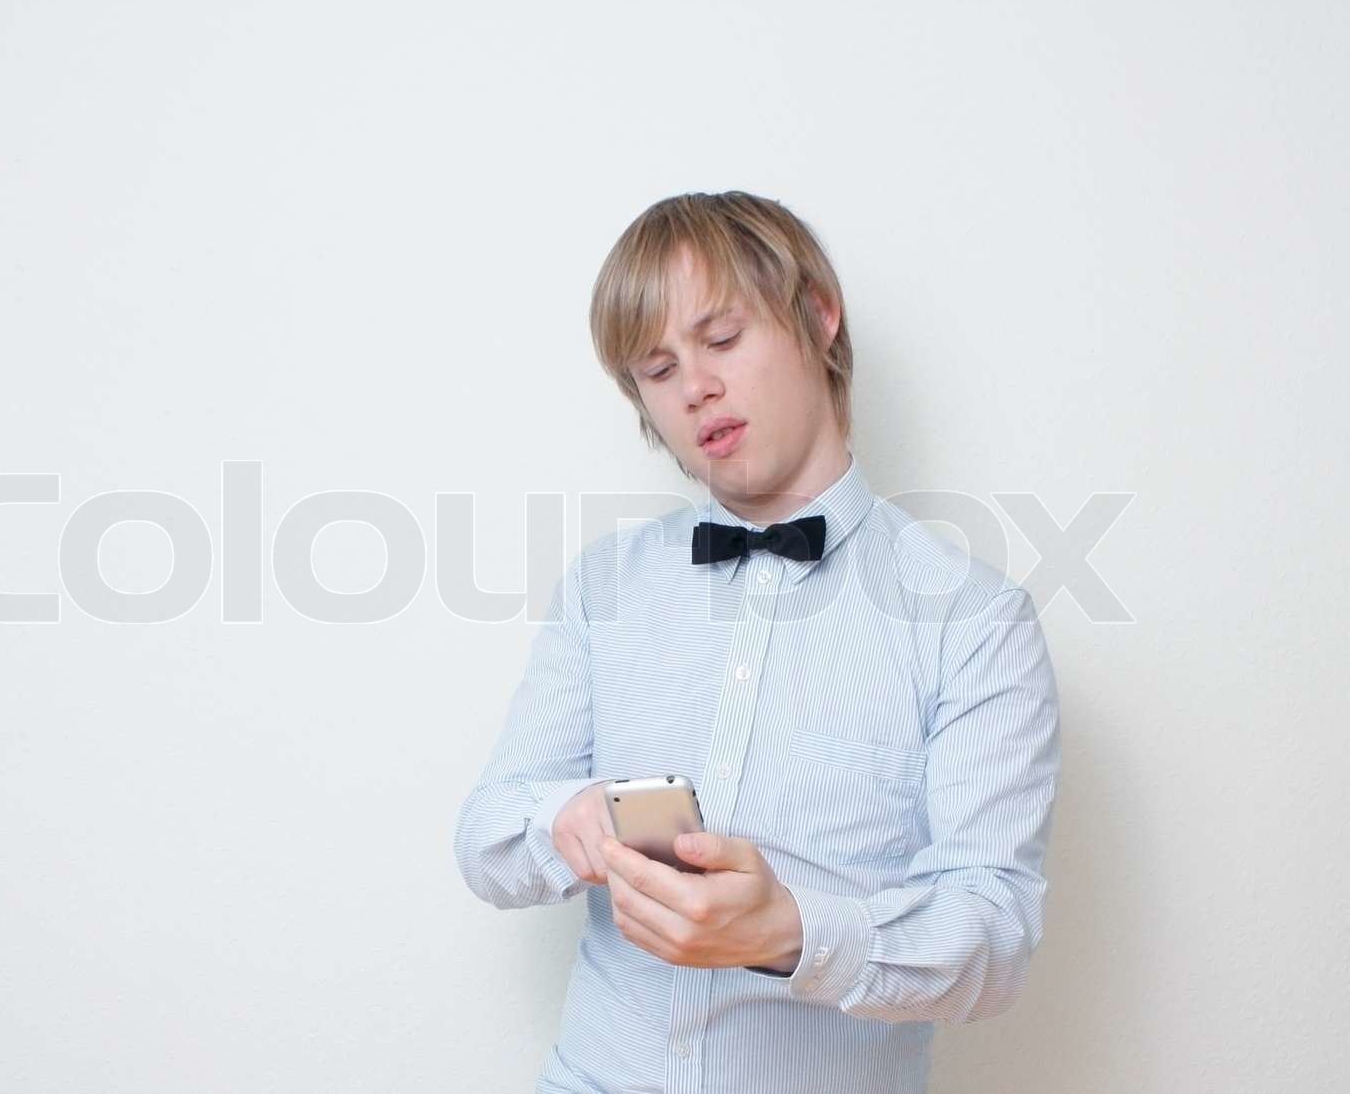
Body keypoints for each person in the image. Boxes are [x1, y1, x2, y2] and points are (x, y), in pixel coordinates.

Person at [452, 190, 1061, 1093]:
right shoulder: (604, 586)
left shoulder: (975, 621)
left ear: (819, 317)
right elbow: (487, 834)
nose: (694, 387)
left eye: (722, 340)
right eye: (656, 369)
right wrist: (566, 817)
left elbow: (995, 935)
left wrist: (792, 931)